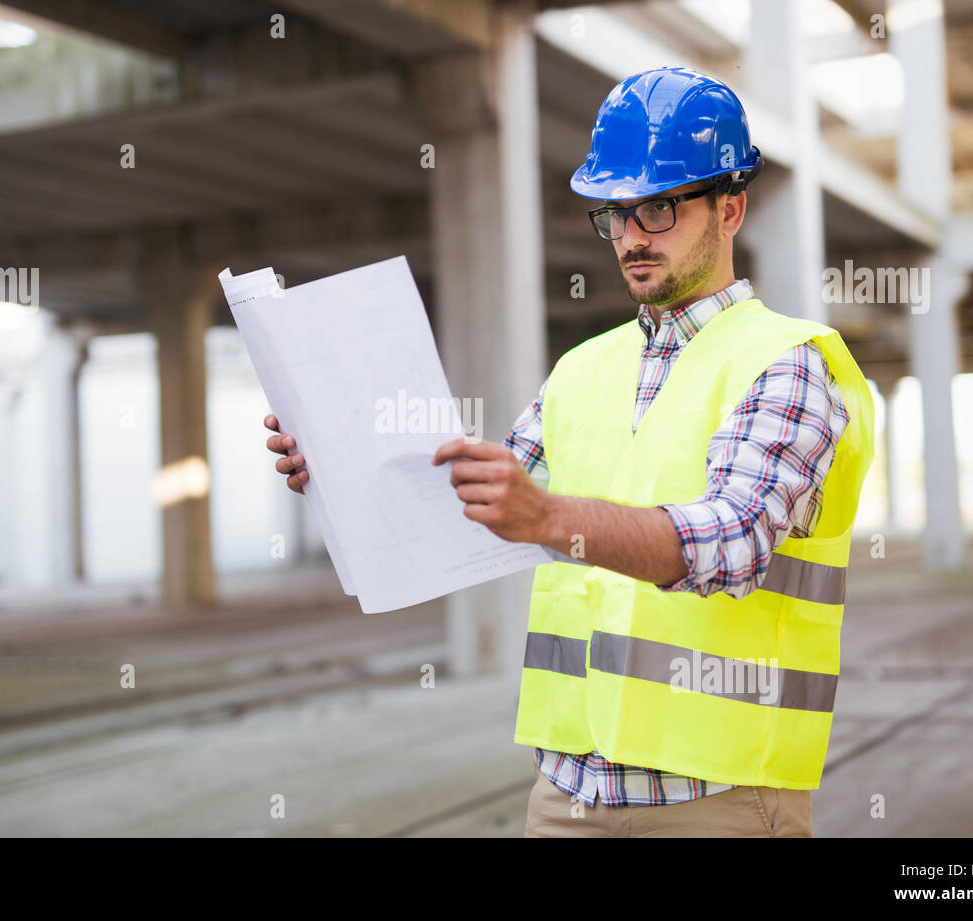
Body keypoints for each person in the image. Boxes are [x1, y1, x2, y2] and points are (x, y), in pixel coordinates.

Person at [265, 66, 874, 837]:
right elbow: (472, 517)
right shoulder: (582, 370)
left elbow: (735, 539)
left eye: (657, 207)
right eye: (614, 215)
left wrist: (547, 515)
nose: (631, 238)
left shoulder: (786, 362)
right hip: (567, 795)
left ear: (731, 208)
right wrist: (338, 465)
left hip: (719, 801)